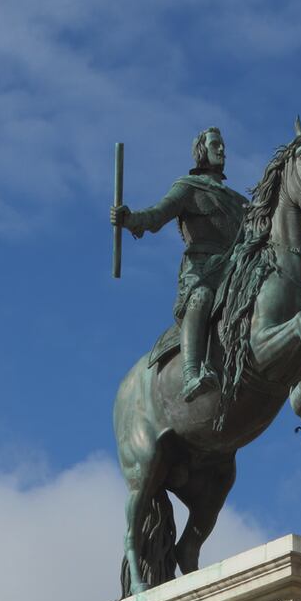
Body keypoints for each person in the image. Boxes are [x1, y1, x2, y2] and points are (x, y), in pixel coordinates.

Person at [111, 127, 248, 399]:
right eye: (215, 145)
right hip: (202, 270)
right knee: (202, 297)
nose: (222, 150)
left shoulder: (239, 201)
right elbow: (157, 214)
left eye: (223, 145)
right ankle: (191, 374)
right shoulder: (187, 188)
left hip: (236, 270)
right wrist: (131, 219)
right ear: (202, 151)